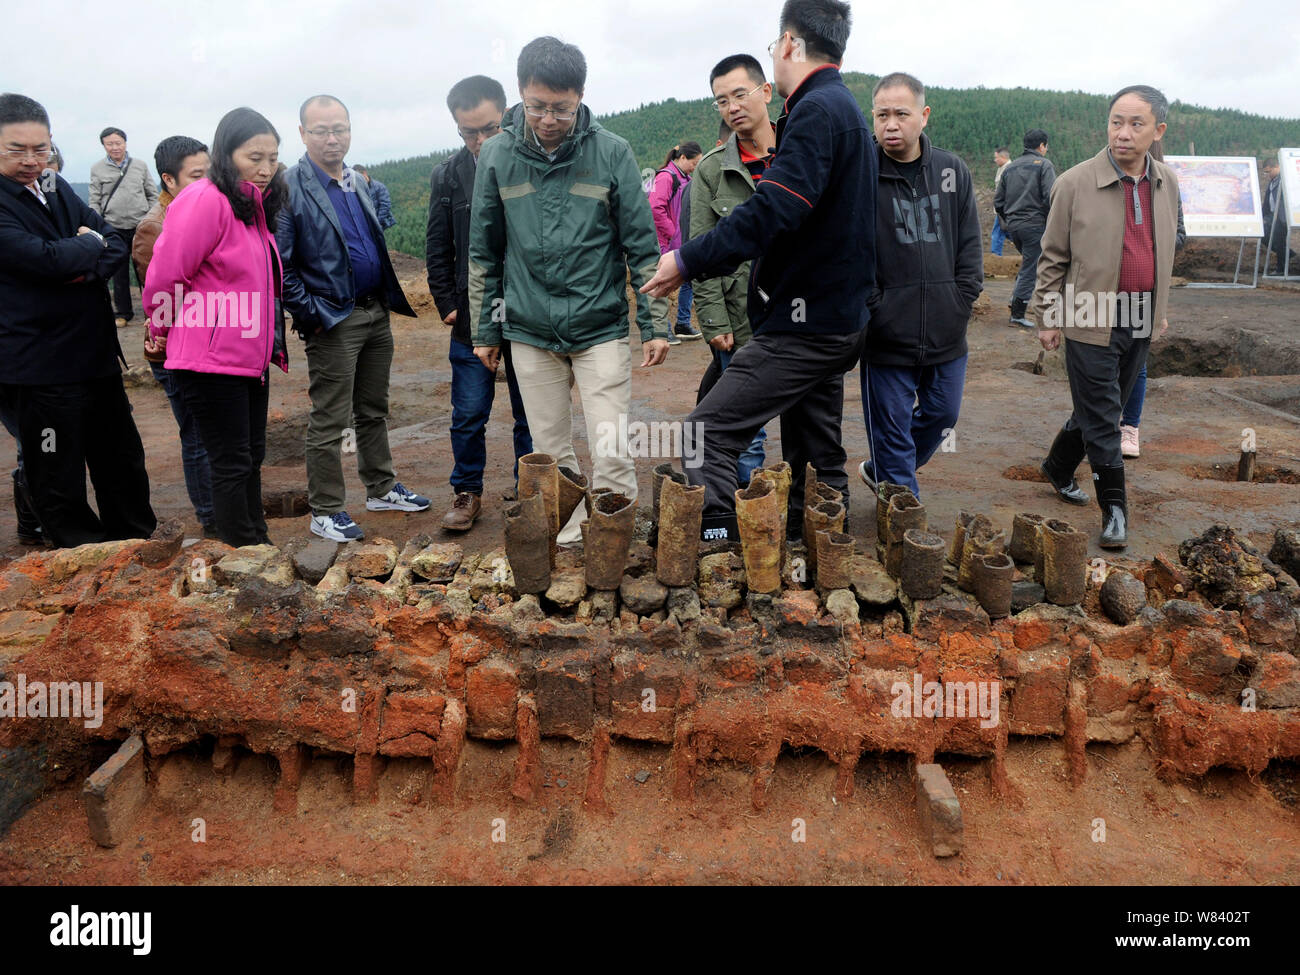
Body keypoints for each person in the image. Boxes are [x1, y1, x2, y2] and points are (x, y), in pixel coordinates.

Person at [643, 0, 876, 542]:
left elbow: (775, 209)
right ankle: (814, 549)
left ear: (790, 44)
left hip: (806, 325)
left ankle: (718, 546)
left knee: (706, 432)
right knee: (815, 449)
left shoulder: (817, 110)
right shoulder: (840, 107)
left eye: (775, 46)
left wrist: (685, 258)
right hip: (833, 319)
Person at [468, 36, 671, 545]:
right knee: (550, 448)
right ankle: (571, 537)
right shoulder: (495, 156)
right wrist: (486, 329)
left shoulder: (611, 153)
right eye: (537, 106)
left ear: (580, 95)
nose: (548, 119)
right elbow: (485, 253)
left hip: (599, 325)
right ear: (520, 93)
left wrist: (654, 324)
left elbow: (641, 248)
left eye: (560, 107)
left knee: (611, 445)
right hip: (529, 330)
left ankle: (613, 536)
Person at [0, 93, 156, 548]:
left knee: (120, 456)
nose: (32, 160)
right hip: (38, 365)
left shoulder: (54, 186)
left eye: (41, 148)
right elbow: (42, 259)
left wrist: (75, 261)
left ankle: (135, 542)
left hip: (94, 355)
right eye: (16, 149)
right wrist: (82, 252)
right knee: (55, 464)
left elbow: (113, 242)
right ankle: (79, 552)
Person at [1032, 85, 1180, 550]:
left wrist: (1160, 311)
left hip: (1140, 313)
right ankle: (1115, 509)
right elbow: (1052, 255)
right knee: (1104, 418)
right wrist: (1047, 315)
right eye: (1117, 121)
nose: (1124, 133)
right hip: (1087, 313)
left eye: (1137, 124)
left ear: (1158, 130)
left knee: (1106, 407)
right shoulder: (1074, 182)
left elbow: (1161, 251)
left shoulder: (1167, 182)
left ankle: (1057, 466)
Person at [278, 94, 430, 543]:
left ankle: (380, 487)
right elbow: (281, 266)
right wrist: (316, 314)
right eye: (321, 130)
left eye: (339, 128)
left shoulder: (355, 181)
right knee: (330, 418)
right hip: (334, 319)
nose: (332, 138)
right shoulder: (291, 189)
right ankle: (325, 510)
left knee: (373, 409)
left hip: (374, 312)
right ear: (303, 133)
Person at [144, 108, 289, 548]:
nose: (265, 169)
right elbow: (168, 273)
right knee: (230, 462)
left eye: (273, 158)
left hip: (247, 359)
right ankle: (242, 554)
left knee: (250, 459)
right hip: (208, 360)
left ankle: (258, 546)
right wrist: (161, 329)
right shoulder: (205, 198)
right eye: (254, 157)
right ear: (227, 154)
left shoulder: (251, 207)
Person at [858, 72, 982, 498]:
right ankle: (903, 526)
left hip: (948, 331)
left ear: (924, 116)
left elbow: (969, 245)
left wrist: (962, 297)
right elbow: (850, 254)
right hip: (885, 336)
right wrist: (875, 309)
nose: (891, 124)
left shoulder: (951, 171)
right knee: (892, 433)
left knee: (942, 415)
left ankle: (886, 470)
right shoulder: (860, 174)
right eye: (881, 115)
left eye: (901, 114)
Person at [426, 74, 533, 532]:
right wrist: (448, 303)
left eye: (489, 128)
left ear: (507, 116)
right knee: (469, 413)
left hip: (529, 312)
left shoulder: (530, 164)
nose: (479, 140)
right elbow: (437, 245)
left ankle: (530, 490)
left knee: (531, 410)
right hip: (472, 315)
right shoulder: (448, 174)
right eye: (468, 131)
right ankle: (467, 491)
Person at [689, 52, 778, 487]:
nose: (732, 106)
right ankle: (749, 519)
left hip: (803, 318)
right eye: (721, 101)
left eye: (739, 94)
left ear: (766, 91)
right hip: (740, 323)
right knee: (748, 433)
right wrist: (713, 322)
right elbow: (700, 253)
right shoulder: (710, 172)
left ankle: (798, 514)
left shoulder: (800, 155)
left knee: (810, 424)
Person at [132, 135, 217, 538]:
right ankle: (211, 518)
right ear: (168, 179)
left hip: (206, 344)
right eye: (197, 176)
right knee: (198, 436)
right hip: (173, 350)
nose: (209, 183)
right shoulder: (154, 227)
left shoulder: (203, 212)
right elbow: (162, 299)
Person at [1118, 136, 1185, 459]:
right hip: (1104, 291)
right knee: (1100, 363)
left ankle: (1129, 427)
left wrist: (1148, 244)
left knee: (1137, 363)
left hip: (1144, 291)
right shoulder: (1105, 180)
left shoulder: (1165, 184)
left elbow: (1180, 233)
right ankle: (1100, 428)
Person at [89, 126, 158, 327]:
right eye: (109, 144)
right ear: (103, 145)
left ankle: (152, 310)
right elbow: (94, 199)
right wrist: (98, 223)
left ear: (125, 143)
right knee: (119, 272)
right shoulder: (97, 169)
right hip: (113, 227)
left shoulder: (140, 165)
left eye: (118, 143)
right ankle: (123, 313)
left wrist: (149, 218)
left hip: (140, 226)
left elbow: (152, 194)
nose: (115, 147)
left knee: (146, 269)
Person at [995, 128, 1054, 327]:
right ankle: (1018, 314)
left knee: (1029, 264)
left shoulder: (1010, 168)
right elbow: (1050, 197)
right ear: (1042, 146)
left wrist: (1009, 221)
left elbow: (998, 202)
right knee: (1032, 268)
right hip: (1035, 225)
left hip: (1015, 227)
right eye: (1046, 146)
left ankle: (1015, 301)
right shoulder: (1044, 165)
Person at [649, 142, 704, 344]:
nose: (695, 167)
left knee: (689, 279)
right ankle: (662, 329)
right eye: (694, 162)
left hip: (683, 241)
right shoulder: (665, 177)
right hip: (666, 242)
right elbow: (655, 208)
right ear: (682, 158)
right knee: (662, 282)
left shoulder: (686, 179)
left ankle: (682, 323)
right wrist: (672, 233)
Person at [1261, 157, 1297, 274]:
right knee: (1263, 236)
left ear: (1277, 167)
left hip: (1283, 216)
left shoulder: (1286, 180)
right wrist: (1262, 216)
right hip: (1271, 215)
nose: (1267, 174)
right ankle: (1290, 255)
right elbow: (1267, 200)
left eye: (1269, 171)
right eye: (1265, 172)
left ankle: (1281, 269)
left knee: (1279, 241)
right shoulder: (1273, 181)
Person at [352, 164, 395, 229]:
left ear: (365, 173)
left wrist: (376, 223)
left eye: (359, 177)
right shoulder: (355, 190)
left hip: (379, 224)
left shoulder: (379, 187)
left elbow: (385, 206)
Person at [990, 146, 1010, 255]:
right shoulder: (1001, 169)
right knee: (1005, 231)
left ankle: (995, 254)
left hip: (1004, 207)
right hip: (1001, 207)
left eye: (996, 157)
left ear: (1003, 157)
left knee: (997, 232)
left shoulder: (1009, 169)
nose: (995, 160)